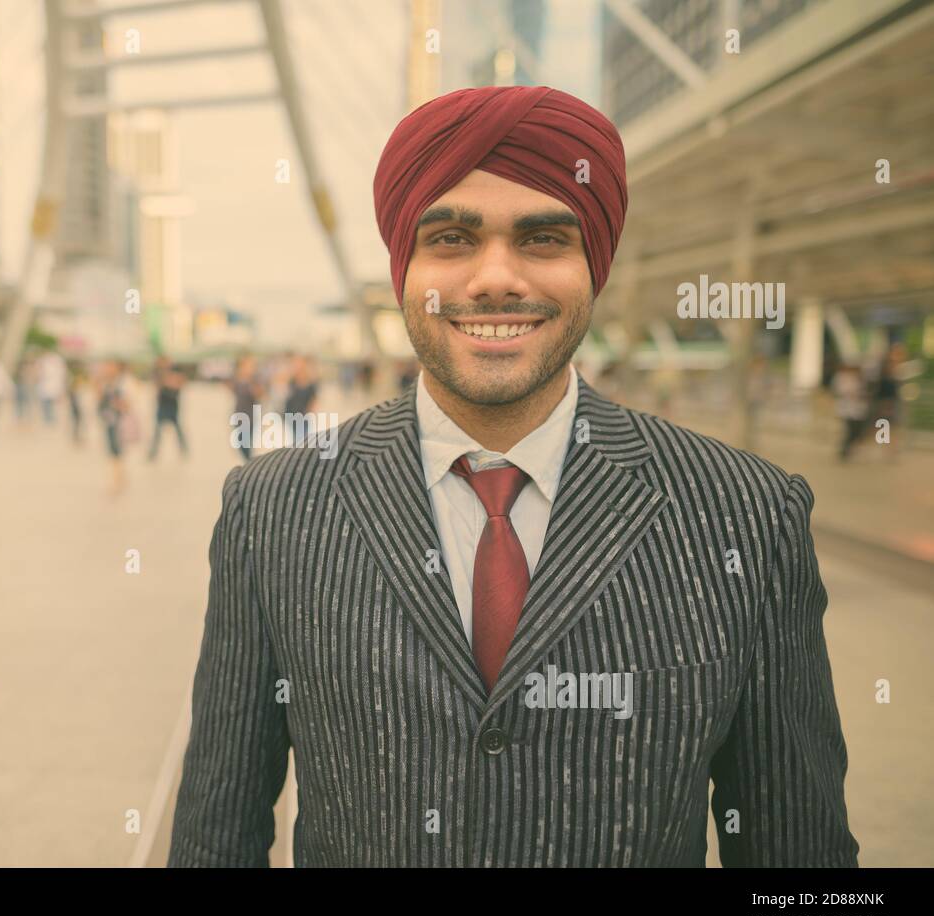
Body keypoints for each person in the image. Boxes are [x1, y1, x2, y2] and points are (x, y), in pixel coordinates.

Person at [169, 85, 858, 868]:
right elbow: (216, 835)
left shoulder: (747, 516)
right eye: (451, 238)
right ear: (402, 269)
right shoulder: (272, 510)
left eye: (543, 239)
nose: (495, 278)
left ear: (595, 266)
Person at [96, 360, 131, 494]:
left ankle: (117, 479)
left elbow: (127, 403)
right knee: (113, 451)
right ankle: (119, 477)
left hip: (119, 421)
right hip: (109, 421)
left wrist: (116, 403)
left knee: (116, 450)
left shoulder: (123, 383)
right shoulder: (106, 383)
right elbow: (99, 400)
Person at [148, 355, 188, 461]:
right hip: (162, 404)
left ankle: (183, 449)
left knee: (177, 428)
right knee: (158, 430)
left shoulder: (175, 370)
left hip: (172, 404)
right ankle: (153, 453)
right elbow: (158, 385)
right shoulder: (158, 372)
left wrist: (169, 381)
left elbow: (179, 382)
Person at [832, 361, 869, 461]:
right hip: (847, 409)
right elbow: (840, 391)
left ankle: (849, 449)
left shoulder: (859, 378)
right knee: (850, 430)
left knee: (858, 430)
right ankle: (845, 451)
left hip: (858, 409)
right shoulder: (841, 377)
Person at [229, 354, 263, 461]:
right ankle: (249, 462)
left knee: (246, 444)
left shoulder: (254, 381)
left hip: (249, 418)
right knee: (239, 442)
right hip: (238, 415)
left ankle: (249, 463)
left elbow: (260, 394)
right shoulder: (238, 379)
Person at [37, 349, 68, 425]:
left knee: (53, 405)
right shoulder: (47, 363)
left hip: (52, 388)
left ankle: (51, 420)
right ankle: (49, 420)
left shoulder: (56, 364)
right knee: (47, 405)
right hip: (47, 388)